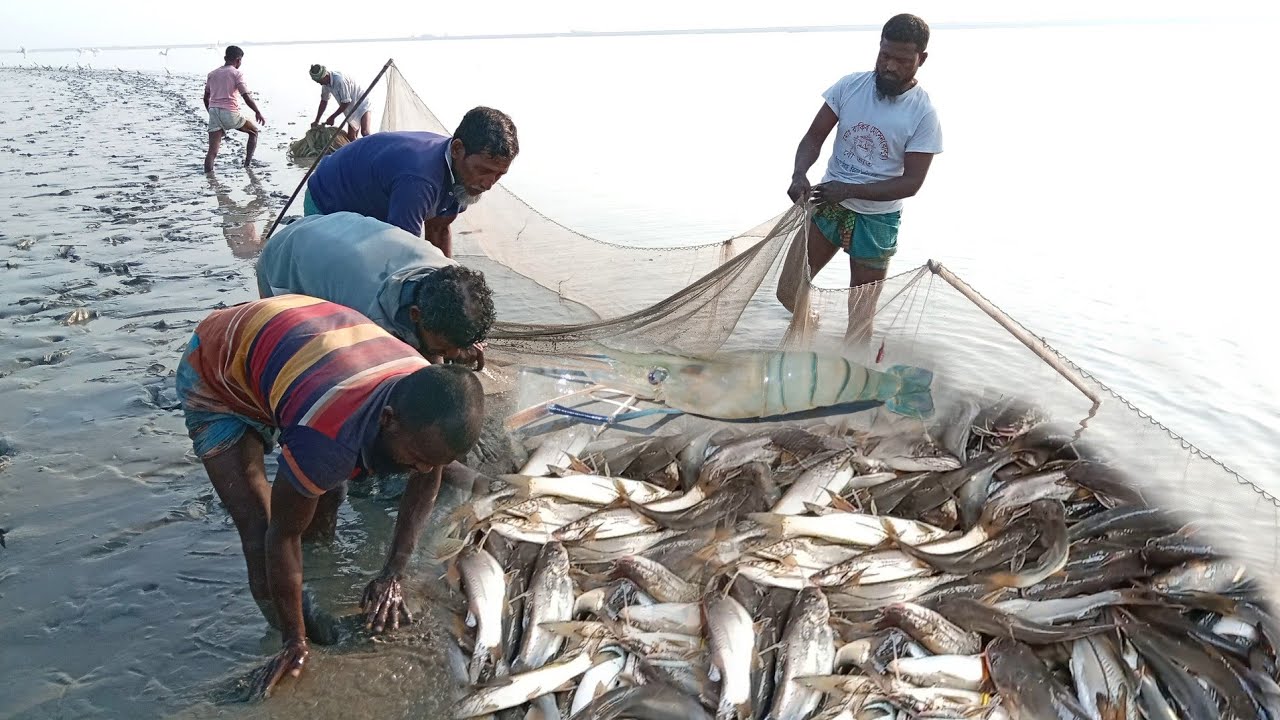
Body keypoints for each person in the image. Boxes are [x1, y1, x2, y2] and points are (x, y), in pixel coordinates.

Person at [175, 294, 485, 696]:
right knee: (260, 526)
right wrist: (295, 640)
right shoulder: (328, 435)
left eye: (436, 462)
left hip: (293, 347)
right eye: (418, 458)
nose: (424, 470)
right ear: (387, 420)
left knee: (326, 491)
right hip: (216, 368)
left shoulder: (429, 399)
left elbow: (427, 476)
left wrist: (393, 573)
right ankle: (284, 634)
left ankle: (313, 568)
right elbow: (280, 536)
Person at [786, 13, 943, 348]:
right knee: (790, 287)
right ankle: (808, 330)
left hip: (877, 220)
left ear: (921, 60)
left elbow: (912, 183)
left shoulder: (923, 114)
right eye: (885, 55)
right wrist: (799, 174)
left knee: (860, 317)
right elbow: (813, 138)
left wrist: (851, 190)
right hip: (828, 205)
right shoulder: (849, 87)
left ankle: (851, 383)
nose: (889, 66)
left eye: (902, 60)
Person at [256, 211, 495, 369]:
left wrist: (462, 343)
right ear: (414, 314)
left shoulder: (450, 274)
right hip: (283, 259)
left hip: (333, 227)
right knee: (290, 353)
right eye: (443, 347)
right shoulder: (369, 317)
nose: (451, 355)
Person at [302, 106, 519, 257]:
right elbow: (402, 254)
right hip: (328, 199)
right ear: (457, 149)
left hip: (375, 202)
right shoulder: (419, 181)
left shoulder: (465, 179)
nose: (489, 183)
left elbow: (438, 229)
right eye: (484, 170)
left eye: (499, 175)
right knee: (345, 283)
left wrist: (447, 284)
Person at [203, 45, 267, 173]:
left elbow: (206, 98)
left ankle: (209, 177)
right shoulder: (236, 73)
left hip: (214, 111)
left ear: (225, 57)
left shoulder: (212, 74)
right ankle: (247, 165)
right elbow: (246, 96)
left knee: (212, 152)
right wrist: (257, 112)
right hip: (229, 112)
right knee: (254, 132)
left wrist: (211, 112)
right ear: (238, 60)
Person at [308, 64, 372, 141]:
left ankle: (376, 149)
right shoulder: (325, 84)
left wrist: (332, 117)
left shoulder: (339, 80)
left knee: (365, 132)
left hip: (362, 103)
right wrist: (317, 120)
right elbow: (324, 101)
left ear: (325, 76)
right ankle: (359, 152)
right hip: (351, 109)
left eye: (319, 81)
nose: (319, 83)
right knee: (351, 137)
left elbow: (346, 102)